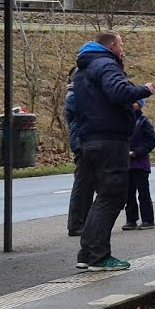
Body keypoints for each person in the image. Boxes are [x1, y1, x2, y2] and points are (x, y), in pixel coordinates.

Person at [73, 31, 153, 271]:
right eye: (121, 44)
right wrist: (143, 90)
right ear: (111, 46)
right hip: (110, 140)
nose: (123, 49)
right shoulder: (106, 64)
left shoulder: (82, 70)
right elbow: (118, 92)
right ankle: (99, 256)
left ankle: (86, 254)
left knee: (100, 198)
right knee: (111, 197)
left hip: (89, 139)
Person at [64, 66, 92, 237]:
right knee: (82, 184)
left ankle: (84, 221)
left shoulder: (75, 94)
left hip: (83, 140)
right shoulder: (75, 96)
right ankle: (76, 223)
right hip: (82, 141)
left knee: (87, 184)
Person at [121, 99, 155, 230]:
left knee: (143, 192)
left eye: (135, 102)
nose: (132, 104)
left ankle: (148, 219)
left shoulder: (143, 122)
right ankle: (131, 219)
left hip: (140, 163)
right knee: (128, 193)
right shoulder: (123, 121)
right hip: (126, 163)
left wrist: (137, 152)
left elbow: (152, 140)